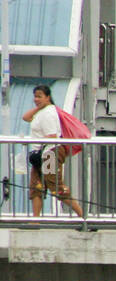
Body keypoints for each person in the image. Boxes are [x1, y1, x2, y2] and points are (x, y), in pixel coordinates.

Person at [22, 84, 84, 218]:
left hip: (50, 153)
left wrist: (36, 143)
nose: (36, 99)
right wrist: (40, 105)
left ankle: (82, 215)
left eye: (40, 96)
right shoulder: (42, 112)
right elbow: (26, 117)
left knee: (56, 188)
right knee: (36, 187)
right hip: (41, 155)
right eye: (35, 97)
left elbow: (52, 136)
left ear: (48, 97)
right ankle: (35, 220)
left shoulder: (49, 113)